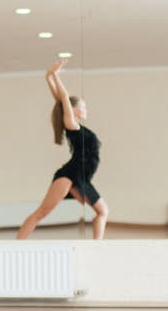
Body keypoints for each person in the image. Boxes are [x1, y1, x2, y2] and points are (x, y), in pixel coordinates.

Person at [16, 59, 108, 239]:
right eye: (83, 106)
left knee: (103, 211)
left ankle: (96, 248)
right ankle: (15, 246)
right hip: (70, 176)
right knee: (41, 213)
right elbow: (63, 98)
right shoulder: (71, 125)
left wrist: (49, 77)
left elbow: (60, 101)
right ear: (73, 110)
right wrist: (54, 75)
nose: (86, 109)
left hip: (81, 179)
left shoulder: (78, 126)